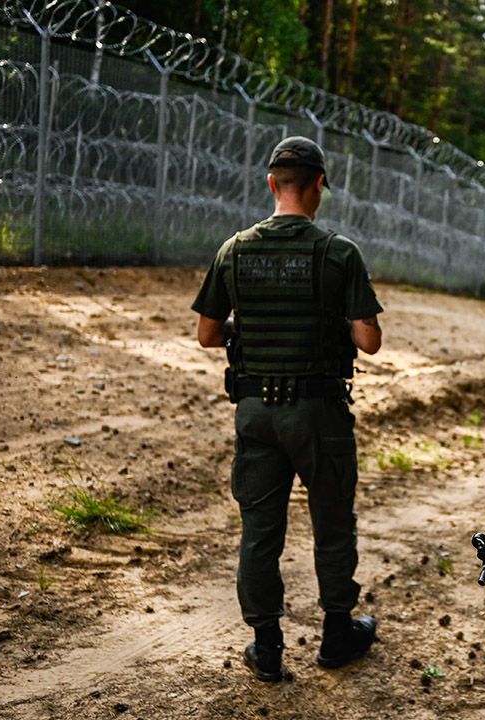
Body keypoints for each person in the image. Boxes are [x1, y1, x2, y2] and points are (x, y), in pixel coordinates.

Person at [192, 136, 384, 682]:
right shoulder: (339, 253)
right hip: (319, 413)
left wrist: (249, 328)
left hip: (256, 412)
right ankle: (336, 635)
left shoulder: (233, 250)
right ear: (319, 185)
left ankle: (267, 646)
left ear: (271, 183)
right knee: (332, 523)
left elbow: (208, 334)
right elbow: (369, 340)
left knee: (260, 530)